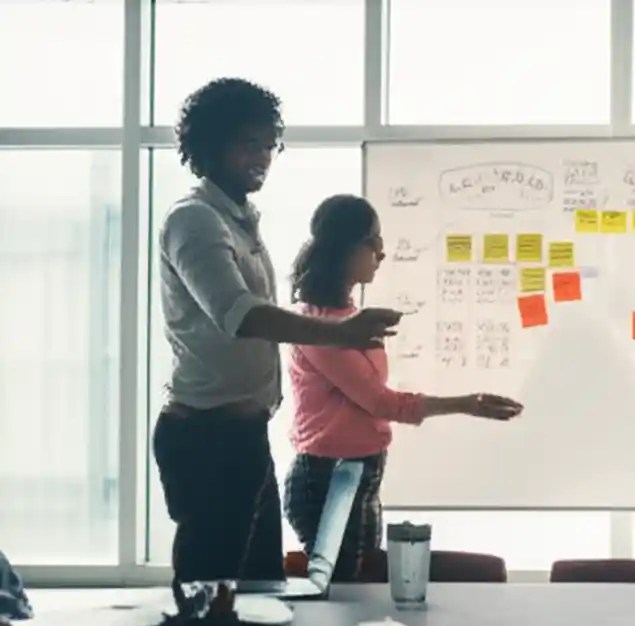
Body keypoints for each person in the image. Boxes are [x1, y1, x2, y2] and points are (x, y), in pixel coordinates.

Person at [154, 78, 402, 584]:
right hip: (205, 436)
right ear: (213, 143)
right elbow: (240, 315)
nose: (263, 156)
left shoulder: (240, 220)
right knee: (212, 597)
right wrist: (342, 333)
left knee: (261, 590)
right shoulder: (196, 221)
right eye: (250, 143)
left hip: (244, 433)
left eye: (270, 145)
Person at [285, 195, 524, 580]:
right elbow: (379, 401)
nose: (382, 252)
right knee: (344, 594)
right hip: (329, 479)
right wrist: (467, 403)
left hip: (361, 473)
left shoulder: (349, 317)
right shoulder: (318, 326)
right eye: (373, 240)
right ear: (345, 248)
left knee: (359, 588)